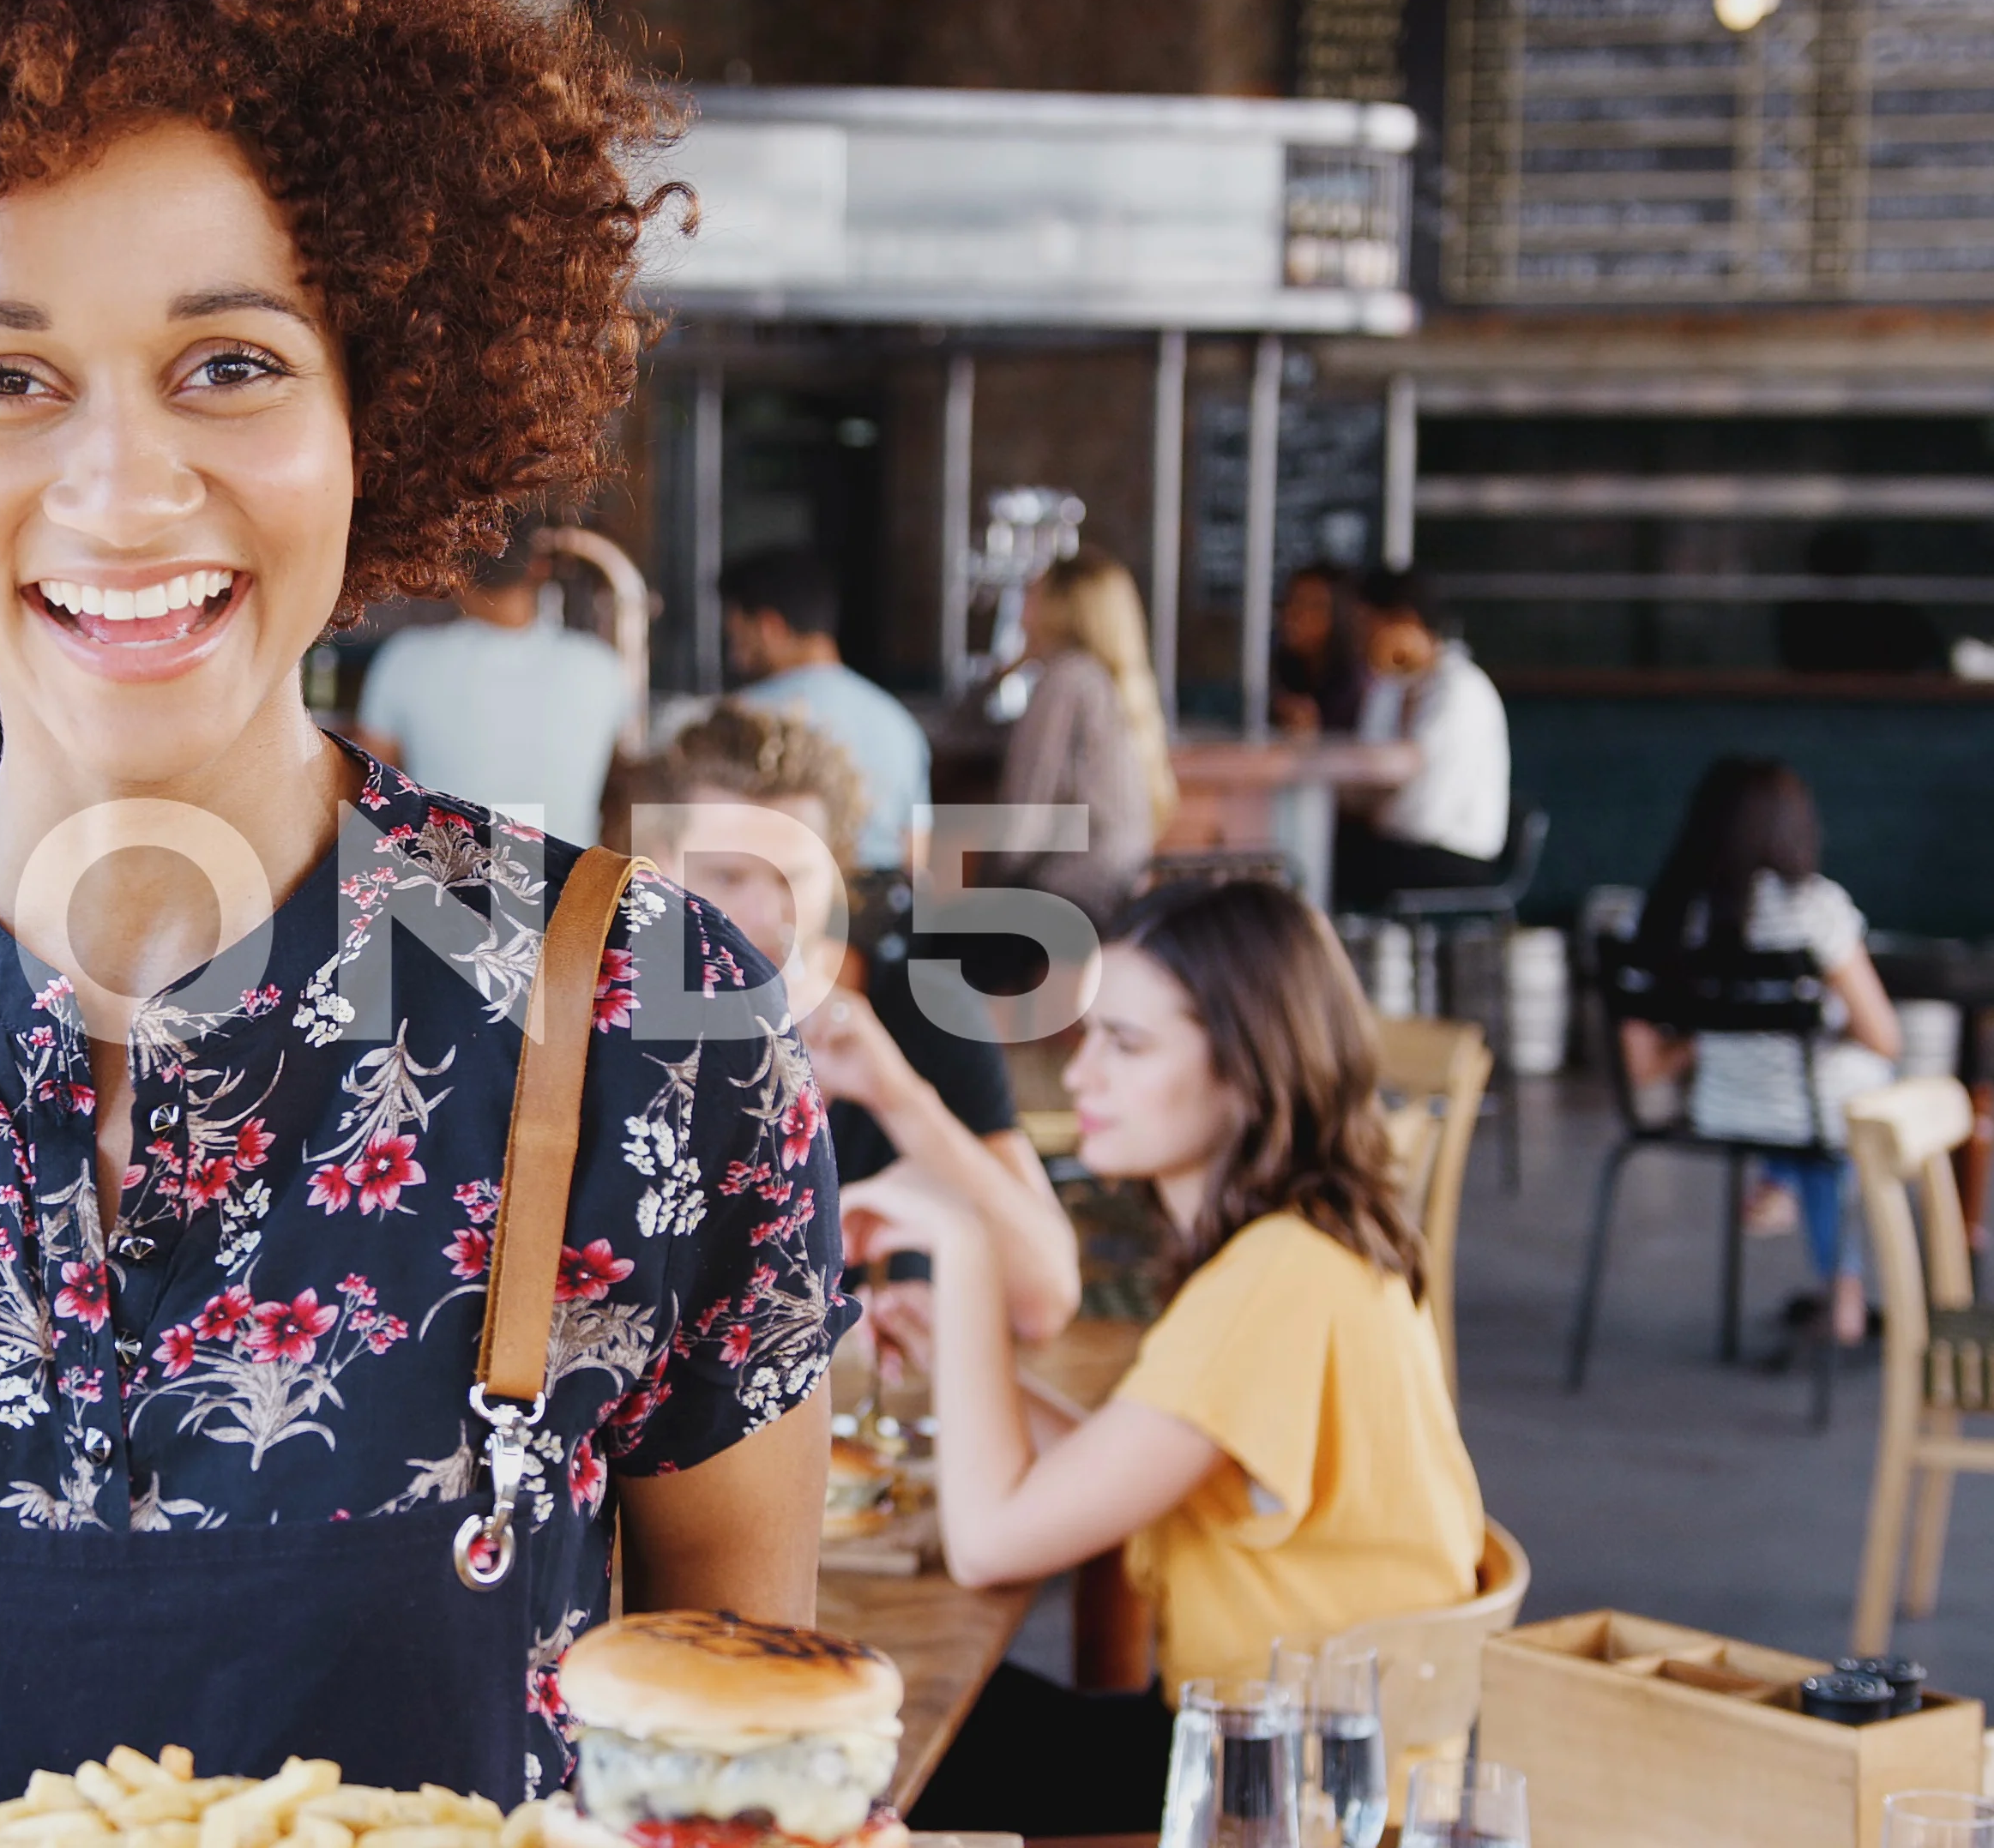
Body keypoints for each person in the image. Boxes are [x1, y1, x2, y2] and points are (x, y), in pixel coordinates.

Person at [0, 1, 846, 1840]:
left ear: (377, 407)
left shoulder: (650, 1023)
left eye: (231, 362)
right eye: (1, 377)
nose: (130, 488)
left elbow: (742, 1743)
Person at [877, 878, 1485, 1839]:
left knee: (879, 1736)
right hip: (1306, 1753)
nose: (1081, 1078)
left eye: (1128, 1043)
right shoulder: (1309, 1243)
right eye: (1090, 1038)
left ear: (1248, 1067)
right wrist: (957, 1351)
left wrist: (963, 1249)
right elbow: (1128, 1463)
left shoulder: (1276, 1278)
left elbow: (990, 1539)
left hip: (1285, 1797)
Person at [610, 702, 1080, 1357]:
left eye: (792, 879)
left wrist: (898, 1096)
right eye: (727, 876)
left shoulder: (919, 1016)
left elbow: (1046, 1296)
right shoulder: (616, 1032)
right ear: (658, 865)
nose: (762, 915)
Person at [1620, 757, 1901, 1347]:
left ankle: (1780, 1181)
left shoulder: (1665, 914)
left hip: (1722, 1107)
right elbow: (1883, 1036)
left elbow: (1643, 1068)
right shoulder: (1814, 908)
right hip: (1806, 1110)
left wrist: (1716, 1031)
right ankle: (1844, 1289)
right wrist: (1814, 1027)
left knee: (1809, 1112)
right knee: (1848, 1101)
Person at [353, 522, 630, 841]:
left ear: (455, 571)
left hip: (446, 881)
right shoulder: (600, 667)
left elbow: (370, 790)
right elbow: (620, 776)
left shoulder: (405, 660)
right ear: (540, 568)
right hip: (569, 882)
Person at [986, 551, 1178, 924]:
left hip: (1068, 903)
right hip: (1117, 896)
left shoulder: (1066, 680)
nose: (1022, 613)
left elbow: (1024, 820)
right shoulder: (1117, 685)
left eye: (1031, 596)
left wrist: (987, 895)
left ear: (1060, 609)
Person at [721, 547, 929, 874]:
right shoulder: (897, 721)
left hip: (785, 904)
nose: (734, 657)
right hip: (885, 914)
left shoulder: (741, 716)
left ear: (769, 627)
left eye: (737, 637)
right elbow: (915, 859)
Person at [1334, 570, 1510, 911]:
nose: (1360, 638)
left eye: (1368, 624)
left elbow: (1410, 807)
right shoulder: (1390, 685)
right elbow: (1366, 772)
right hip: (1398, 845)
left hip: (1453, 855)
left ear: (1405, 621)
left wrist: (1362, 803)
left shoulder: (1459, 688)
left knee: (1327, 863)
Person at [1268, 563, 1364, 737]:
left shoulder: (1362, 689)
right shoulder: (1282, 671)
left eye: (1313, 606)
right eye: (1291, 601)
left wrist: (1312, 733)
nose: (1294, 614)